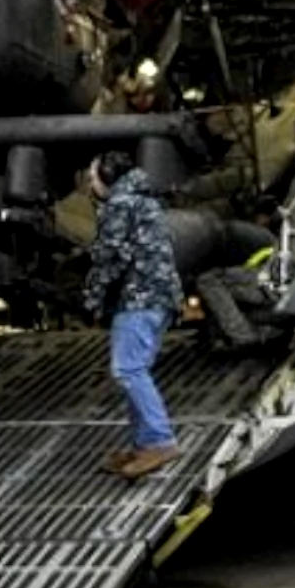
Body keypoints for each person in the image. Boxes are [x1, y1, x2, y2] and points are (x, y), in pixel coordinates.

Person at [82, 149, 184, 478]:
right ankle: (143, 444)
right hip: (160, 298)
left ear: (108, 178)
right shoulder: (145, 200)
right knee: (136, 369)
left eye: (93, 176)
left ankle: (159, 441)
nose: (89, 182)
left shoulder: (120, 204)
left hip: (139, 298)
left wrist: (92, 300)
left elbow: (109, 259)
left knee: (127, 369)